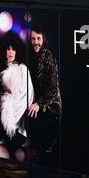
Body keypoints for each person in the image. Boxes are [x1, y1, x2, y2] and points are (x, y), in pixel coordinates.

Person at [0, 35, 34, 161]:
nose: (11, 52)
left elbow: (28, 95)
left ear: (17, 51)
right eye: (8, 49)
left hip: (20, 116)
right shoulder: (2, 70)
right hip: (4, 119)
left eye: (13, 49)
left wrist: (13, 105)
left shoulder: (23, 69)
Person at [26, 27, 62, 158]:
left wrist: (39, 104)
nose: (36, 42)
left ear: (43, 39)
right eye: (33, 39)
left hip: (51, 107)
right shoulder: (36, 57)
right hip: (43, 103)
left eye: (38, 39)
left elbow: (52, 89)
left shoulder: (47, 55)